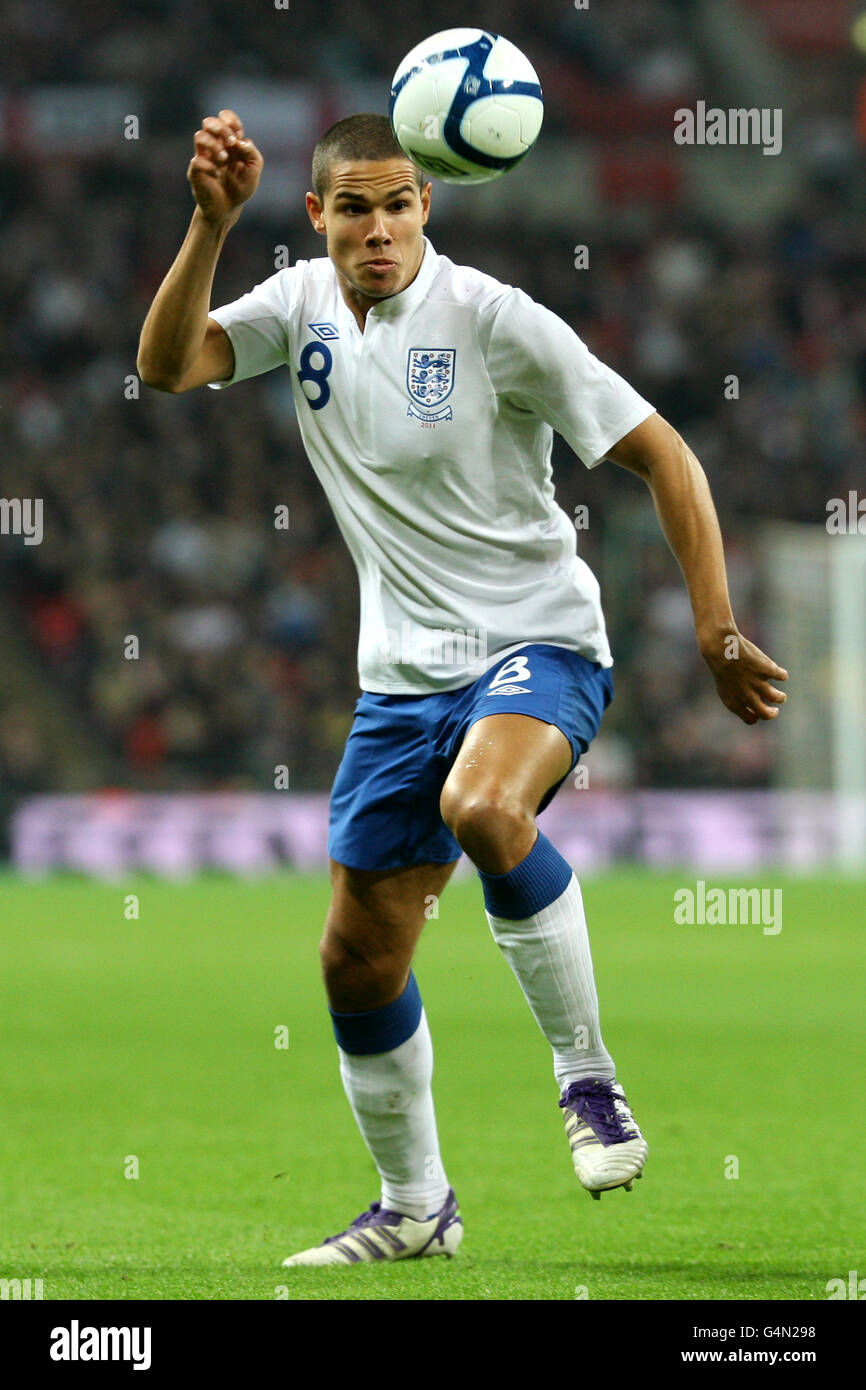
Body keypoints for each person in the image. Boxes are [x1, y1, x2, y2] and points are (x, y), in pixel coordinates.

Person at [138, 109, 788, 1267]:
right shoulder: (293, 305)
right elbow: (167, 366)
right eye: (354, 209)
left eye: (397, 206)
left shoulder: (494, 320)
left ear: (426, 207)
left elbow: (664, 454)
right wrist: (207, 223)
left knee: (485, 808)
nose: (377, 229)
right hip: (397, 680)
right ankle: (413, 1207)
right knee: (354, 961)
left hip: (536, 640)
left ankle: (587, 1080)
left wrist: (715, 630)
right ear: (317, 218)